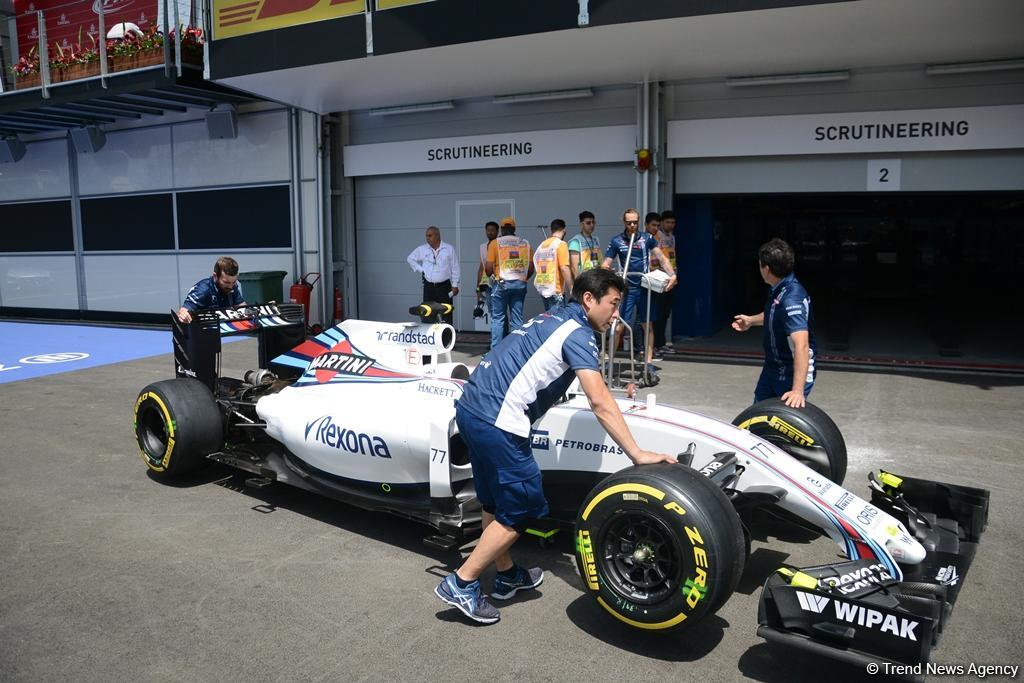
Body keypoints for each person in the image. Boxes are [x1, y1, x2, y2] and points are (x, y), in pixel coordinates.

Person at [435, 268, 679, 624]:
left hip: (471, 408)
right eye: (613, 305)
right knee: (522, 509)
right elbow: (600, 402)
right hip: (498, 421)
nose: (616, 315)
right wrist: (637, 454)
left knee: (493, 500)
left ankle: (505, 575)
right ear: (588, 299)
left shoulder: (553, 316)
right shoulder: (578, 333)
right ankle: (462, 582)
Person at [731, 237, 817, 408]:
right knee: (758, 414)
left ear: (767, 269)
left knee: (780, 424)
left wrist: (797, 391)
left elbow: (802, 345)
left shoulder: (792, 299)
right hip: (772, 368)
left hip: (791, 373)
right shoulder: (779, 288)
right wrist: (751, 321)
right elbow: (775, 315)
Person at [602, 209, 676, 381]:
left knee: (647, 326)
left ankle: (648, 363)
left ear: (639, 221)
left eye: (635, 222)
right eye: (629, 222)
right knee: (618, 327)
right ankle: (608, 362)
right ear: (624, 222)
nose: (632, 225)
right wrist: (607, 274)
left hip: (644, 287)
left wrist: (672, 275)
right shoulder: (617, 241)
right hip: (625, 289)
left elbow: (662, 258)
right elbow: (606, 263)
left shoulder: (646, 239)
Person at [486, 216, 532, 349]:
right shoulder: (525, 243)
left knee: (498, 319)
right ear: (514, 229)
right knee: (517, 318)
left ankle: (496, 351)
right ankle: (515, 349)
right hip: (519, 284)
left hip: (501, 284)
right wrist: (522, 278)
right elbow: (530, 268)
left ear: (501, 229)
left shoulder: (495, 243)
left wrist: (492, 274)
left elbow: (488, 269)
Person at [407, 226, 460, 325]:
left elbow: (455, 267)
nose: (427, 238)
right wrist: (421, 269)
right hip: (429, 287)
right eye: (426, 236)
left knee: (446, 313)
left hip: (444, 287)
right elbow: (410, 258)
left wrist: (455, 284)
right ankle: (430, 338)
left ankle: (446, 338)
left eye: (430, 236)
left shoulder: (448, 249)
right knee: (428, 313)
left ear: (437, 236)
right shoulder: (422, 249)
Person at [177, 256, 246, 323]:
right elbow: (183, 312)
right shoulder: (203, 290)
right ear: (215, 276)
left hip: (224, 329)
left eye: (233, 282)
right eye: (226, 282)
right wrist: (183, 315)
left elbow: (243, 307)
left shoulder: (232, 286)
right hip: (203, 330)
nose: (231, 286)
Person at [651, 210, 678, 356]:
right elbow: (654, 258)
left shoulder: (672, 238)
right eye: (667, 222)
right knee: (657, 314)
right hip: (659, 280)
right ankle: (653, 345)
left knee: (665, 314)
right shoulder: (656, 237)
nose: (670, 225)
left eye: (673, 222)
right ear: (662, 223)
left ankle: (661, 343)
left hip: (671, 280)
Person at [532, 219, 573, 310]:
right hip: (556, 290)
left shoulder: (542, 245)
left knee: (549, 320)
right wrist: (571, 288)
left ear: (551, 230)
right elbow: (564, 268)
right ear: (564, 230)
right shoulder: (561, 244)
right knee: (557, 321)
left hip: (543, 288)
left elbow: (535, 262)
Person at [475, 221, 500, 323]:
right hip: (487, 284)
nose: (490, 233)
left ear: (497, 232)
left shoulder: (501, 245)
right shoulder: (482, 246)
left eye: (493, 231)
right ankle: (496, 335)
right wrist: (478, 288)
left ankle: (502, 336)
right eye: (488, 230)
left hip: (499, 282)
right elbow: (481, 267)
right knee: (492, 310)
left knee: (499, 311)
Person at [567, 210, 602, 280]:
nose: (591, 225)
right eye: (588, 223)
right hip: (584, 280)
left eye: (593, 222)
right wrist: (578, 284)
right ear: (581, 224)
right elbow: (574, 267)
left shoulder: (595, 239)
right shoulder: (575, 241)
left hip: (597, 278)